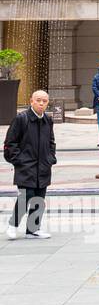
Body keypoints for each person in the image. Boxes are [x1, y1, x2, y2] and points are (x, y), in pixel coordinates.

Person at [4, 90, 56, 239]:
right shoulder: (22, 118)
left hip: (43, 166)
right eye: (38, 100)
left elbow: (51, 141)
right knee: (26, 196)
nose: (41, 103)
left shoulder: (47, 120)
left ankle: (33, 229)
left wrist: (50, 158)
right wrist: (19, 160)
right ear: (31, 101)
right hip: (26, 166)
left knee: (39, 198)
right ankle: (12, 226)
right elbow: (10, 143)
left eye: (44, 101)